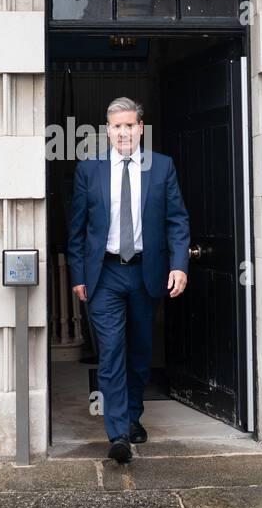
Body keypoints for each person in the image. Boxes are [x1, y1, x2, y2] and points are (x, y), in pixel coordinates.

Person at [67, 97, 190, 464]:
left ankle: (133, 416)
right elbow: (76, 228)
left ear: (140, 128)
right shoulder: (89, 170)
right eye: (115, 126)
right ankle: (118, 431)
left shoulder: (162, 167)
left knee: (139, 352)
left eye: (129, 125)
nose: (122, 132)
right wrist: (77, 274)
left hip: (144, 272)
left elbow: (177, 221)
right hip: (103, 274)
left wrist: (179, 264)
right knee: (111, 352)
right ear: (108, 130)